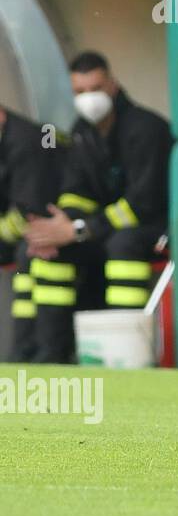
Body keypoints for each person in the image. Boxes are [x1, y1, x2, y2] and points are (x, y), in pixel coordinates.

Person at [21, 53, 172, 365]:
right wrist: (62, 226)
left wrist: (80, 229)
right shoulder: (81, 131)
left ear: (112, 85)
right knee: (49, 250)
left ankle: (126, 351)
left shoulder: (147, 128)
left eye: (96, 88)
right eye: (80, 91)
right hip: (102, 228)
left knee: (123, 243)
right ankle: (52, 353)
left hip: (154, 228)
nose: (89, 98)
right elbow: (76, 191)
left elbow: (143, 204)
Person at [1, 106, 62, 361]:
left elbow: (29, 209)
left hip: (53, 226)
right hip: (28, 233)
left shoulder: (27, 142)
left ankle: (29, 350)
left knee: (27, 255)